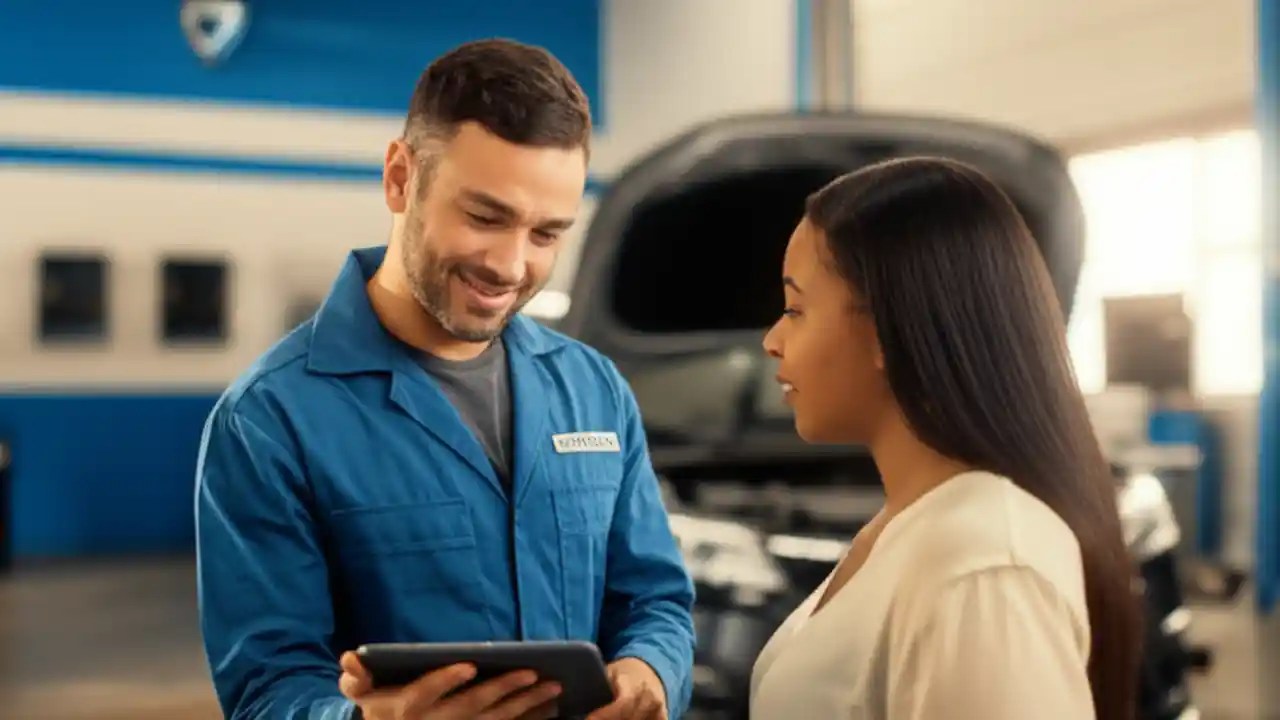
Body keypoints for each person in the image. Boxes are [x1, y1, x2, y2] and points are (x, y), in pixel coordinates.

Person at [194, 38, 695, 720]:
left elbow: (654, 599)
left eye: (546, 234)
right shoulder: (270, 421)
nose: (511, 265)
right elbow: (264, 688)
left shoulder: (594, 390)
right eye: (485, 217)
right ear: (401, 178)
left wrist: (650, 670)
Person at [749, 157, 1143, 719]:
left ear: (888, 328)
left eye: (796, 309)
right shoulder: (911, 526)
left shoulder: (985, 563)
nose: (773, 339)